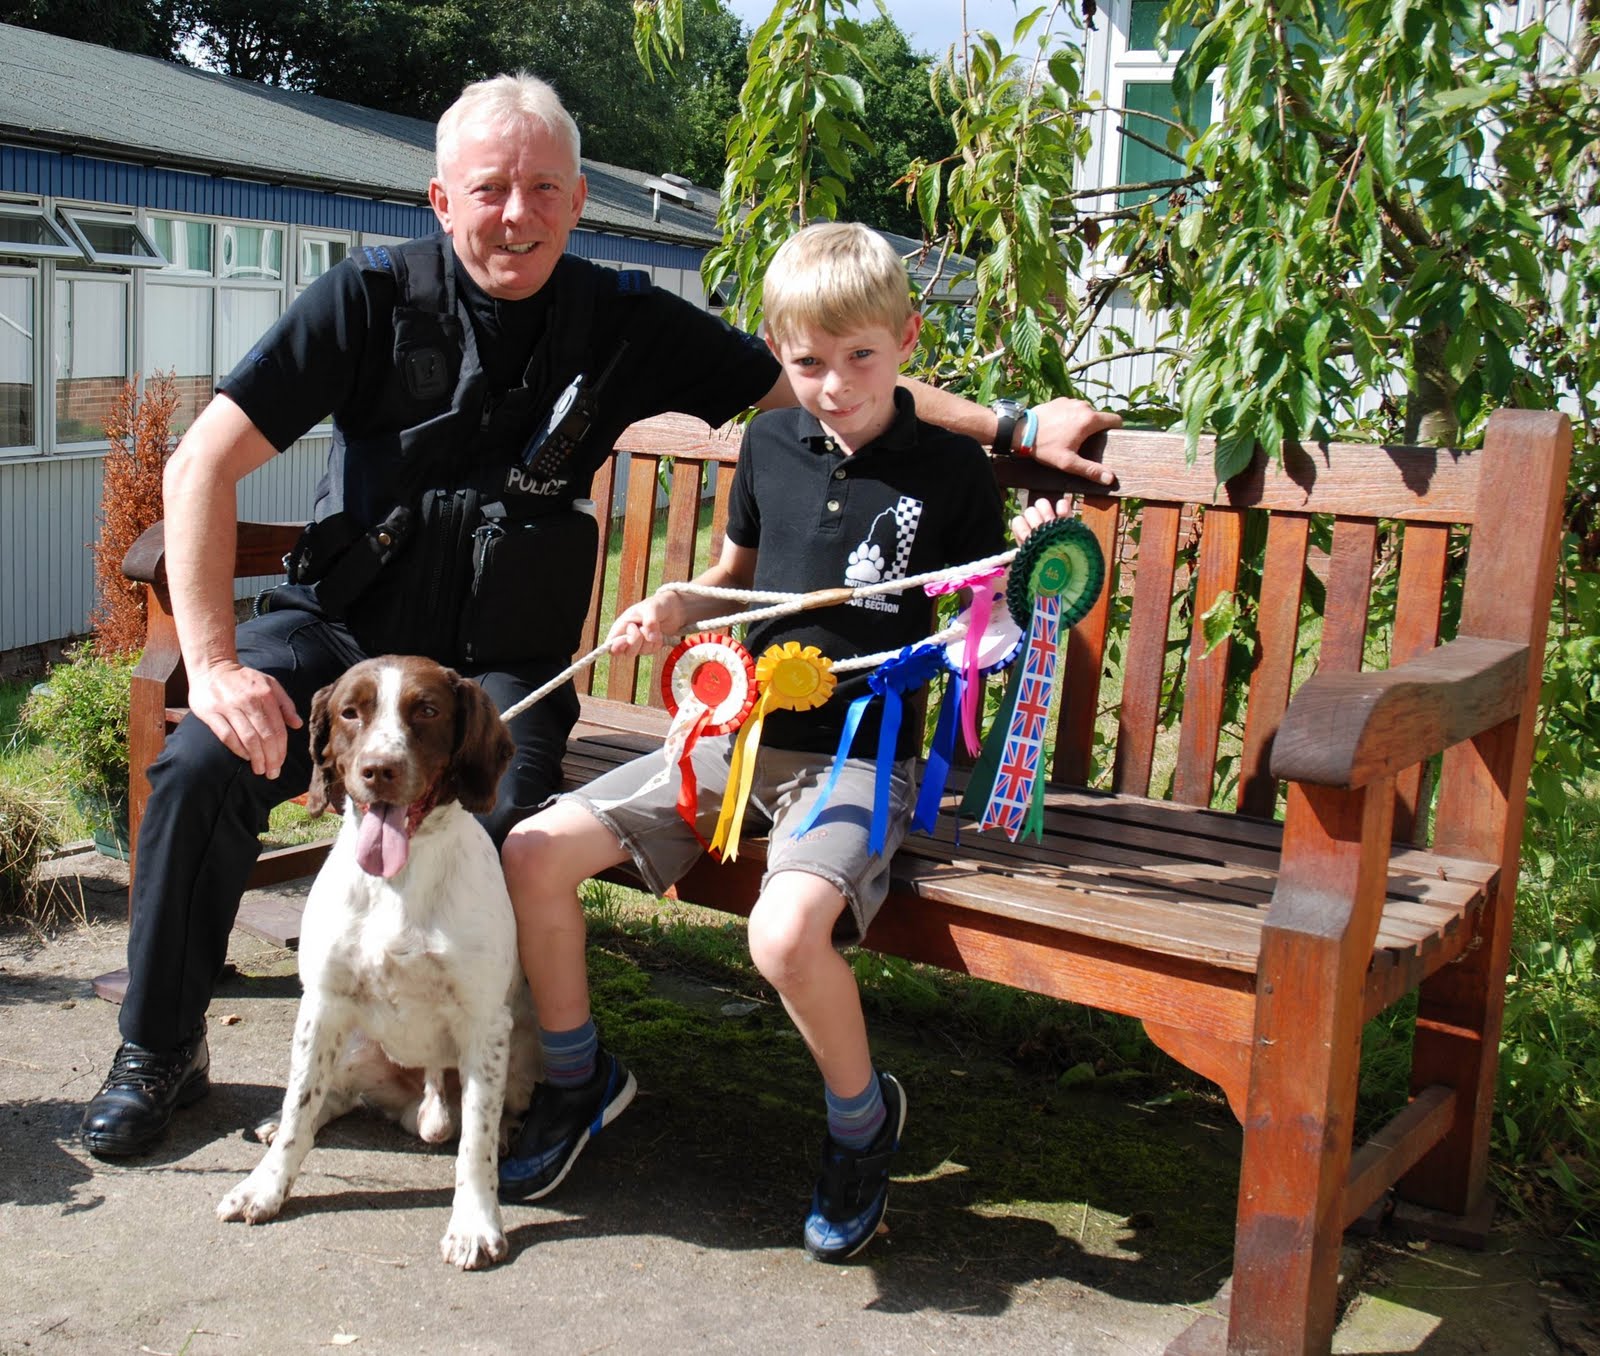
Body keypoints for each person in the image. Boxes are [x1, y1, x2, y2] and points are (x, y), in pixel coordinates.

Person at [79, 72, 1120, 1160]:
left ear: (579, 202)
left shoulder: (620, 322)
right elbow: (202, 461)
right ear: (441, 201)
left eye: (542, 189)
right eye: (488, 190)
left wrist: (1002, 423)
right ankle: (160, 1050)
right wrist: (214, 663)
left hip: (497, 681)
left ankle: (465, 1061)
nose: (516, 214)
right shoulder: (366, 299)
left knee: (492, 834)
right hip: (344, 642)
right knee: (204, 758)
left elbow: (808, 379)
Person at [497, 221, 1077, 1261]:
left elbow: (981, 637)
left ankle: (862, 1127)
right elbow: (736, 576)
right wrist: (680, 602)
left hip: (862, 760)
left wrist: (1013, 589)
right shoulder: (767, 442)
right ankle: (578, 1079)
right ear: (776, 348)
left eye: (860, 357)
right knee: (530, 852)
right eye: (806, 362)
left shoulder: (949, 473)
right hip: (738, 739)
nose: (835, 385)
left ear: (905, 340)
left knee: (780, 936)